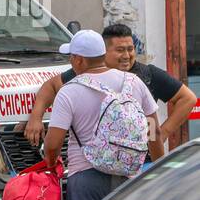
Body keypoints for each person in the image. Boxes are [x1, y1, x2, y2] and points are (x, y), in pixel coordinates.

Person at [23, 22, 196, 158]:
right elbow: (51, 86)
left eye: (130, 49)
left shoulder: (148, 75)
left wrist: (163, 133)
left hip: (141, 163)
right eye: (120, 50)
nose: (127, 56)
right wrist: (35, 117)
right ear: (104, 51)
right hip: (99, 163)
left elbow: (188, 99)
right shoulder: (86, 73)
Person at [43, 29, 156, 200]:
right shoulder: (133, 82)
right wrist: (157, 169)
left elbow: (53, 145)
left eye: (71, 57)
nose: (71, 61)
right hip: (128, 177)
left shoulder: (69, 91)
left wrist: (52, 163)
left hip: (86, 179)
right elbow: (154, 129)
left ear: (79, 60)